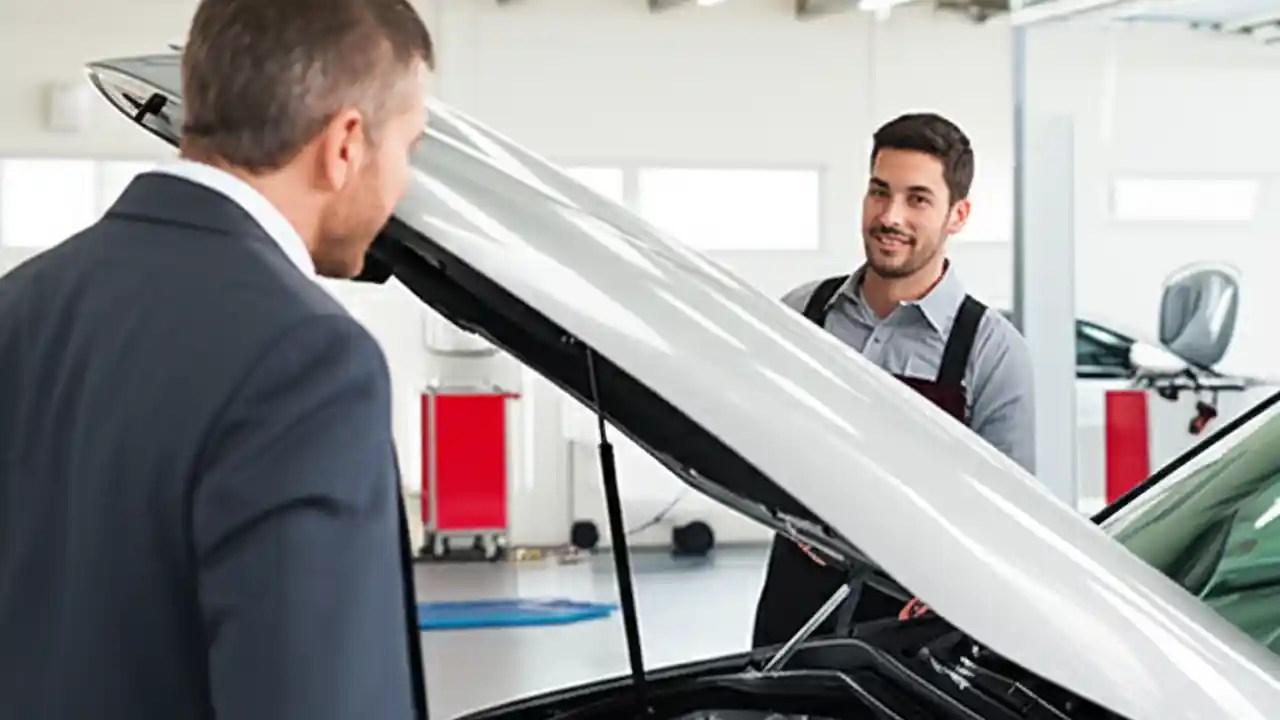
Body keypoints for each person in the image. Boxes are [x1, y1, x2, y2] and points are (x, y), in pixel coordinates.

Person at [0, 1, 434, 718]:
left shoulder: (18, 307)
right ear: (346, 143)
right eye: (408, 148)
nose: (405, 184)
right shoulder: (308, 362)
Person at [751, 112, 1035, 649]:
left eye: (917, 199)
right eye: (879, 192)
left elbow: (1007, 520)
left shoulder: (992, 350)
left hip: (916, 622)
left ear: (958, 215)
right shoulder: (801, 315)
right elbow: (756, 445)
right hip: (793, 604)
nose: (890, 216)